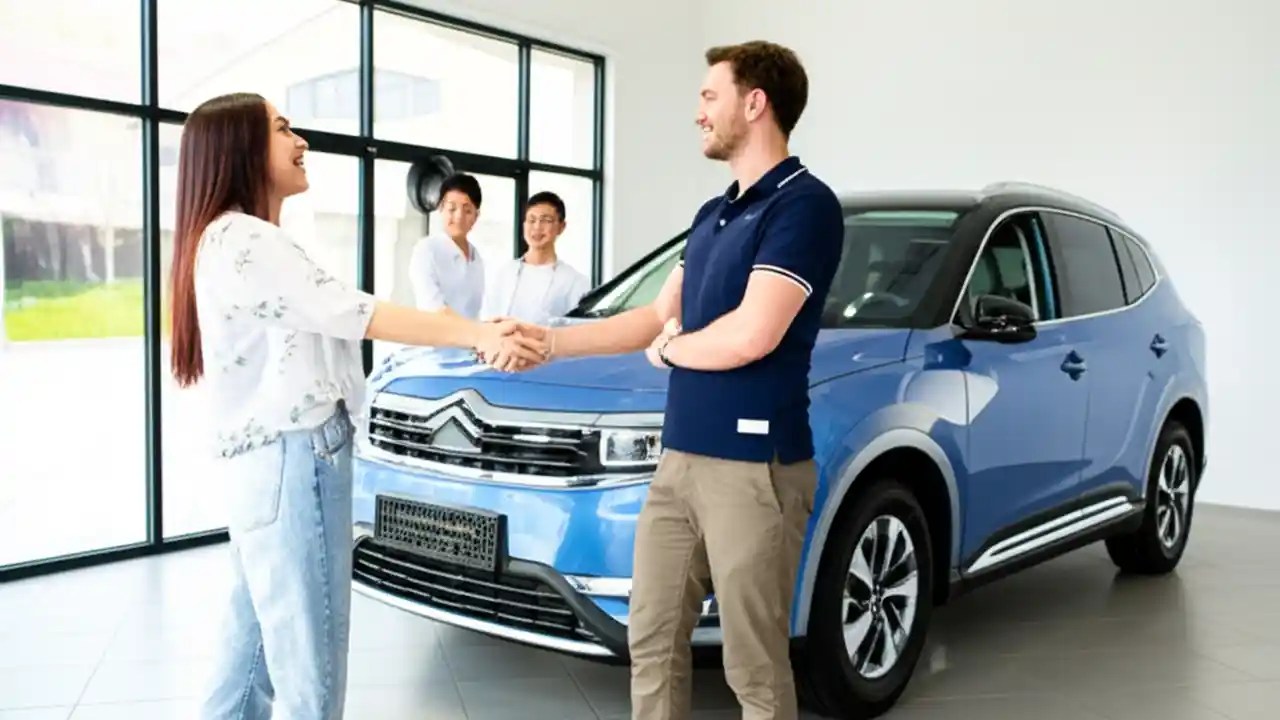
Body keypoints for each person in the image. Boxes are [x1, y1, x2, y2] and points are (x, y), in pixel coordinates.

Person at [488, 41, 844, 720]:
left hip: (755, 468)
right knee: (649, 636)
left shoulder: (804, 206)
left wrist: (673, 352)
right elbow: (655, 315)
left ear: (755, 102)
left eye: (710, 96)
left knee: (753, 664)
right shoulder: (713, 215)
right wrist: (552, 342)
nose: (698, 113)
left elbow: (752, 334)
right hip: (679, 459)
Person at [167, 92, 546, 720]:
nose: (300, 140)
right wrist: (477, 334)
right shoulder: (246, 239)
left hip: (263, 465)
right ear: (238, 148)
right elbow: (353, 309)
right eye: (282, 128)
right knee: (310, 677)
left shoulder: (227, 238)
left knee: (249, 662)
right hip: (292, 460)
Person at [481, 191, 592, 324]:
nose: (537, 227)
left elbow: (578, 330)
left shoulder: (575, 282)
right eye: (531, 220)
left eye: (546, 220)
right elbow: (486, 321)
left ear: (561, 227)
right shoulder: (503, 273)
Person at [407, 173, 486, 318]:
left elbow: (477, 311)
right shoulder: (426, 250)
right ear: (440, 209)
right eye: (452, 208)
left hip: (471, 339)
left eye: (467, 210)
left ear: (476, 216)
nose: (459, 217)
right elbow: (433, 307)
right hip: (435, 338)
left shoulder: (476, 257)